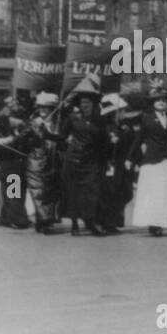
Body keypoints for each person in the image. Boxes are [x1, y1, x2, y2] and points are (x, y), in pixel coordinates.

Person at [128, 82, 167, 236]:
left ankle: (161, 222)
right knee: (152, 193)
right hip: (152, 160)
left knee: (165, 192)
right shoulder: (147, 119)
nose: (161, 102)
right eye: (158, 100)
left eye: (164, 99)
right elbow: (138, 139)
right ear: (152, 103)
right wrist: (130, 158)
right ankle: (152, 222)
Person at [61, 78, 109, 236]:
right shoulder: (72, 119)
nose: (85, 105)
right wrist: (46, 134)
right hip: (74, 160)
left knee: (92, 193)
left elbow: (104, 143)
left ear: (93, 104)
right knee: (74, 192)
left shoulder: (100, 121)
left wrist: (107, 158)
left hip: (92, 162)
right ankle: (74, 223)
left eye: (88, 102)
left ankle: (91, 222)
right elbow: (62, 137)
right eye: (82, 102)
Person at [26, 91, 64, 234]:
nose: (43, 110)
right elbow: (23, 140)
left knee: (51, 190)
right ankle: (43, 221)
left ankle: (46, 219)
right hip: (36, 161)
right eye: (41, 107)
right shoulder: (33, 122)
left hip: (55, 161)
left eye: (46, 107)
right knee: (38, 191)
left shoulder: (58, 122)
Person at [98, 93, 136, 234]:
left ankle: (112, 220)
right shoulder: (105, 127)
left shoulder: (126, 126)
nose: (123, 113)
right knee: (109, 193)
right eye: (121, 110)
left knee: (126, 193)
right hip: (110, 164)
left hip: (124, 164)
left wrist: (133, 159)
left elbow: (133, 143)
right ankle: (105, 222)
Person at [0, 99, 31, 229]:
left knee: (16, 193)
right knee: (13, 193)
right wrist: (14, 140)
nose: (19, 121)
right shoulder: (0, 130)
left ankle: (7, 217)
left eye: (20, 117)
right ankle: (17, 219)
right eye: (15, 117)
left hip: (20, 166)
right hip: (8, 166)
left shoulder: (24, 130)